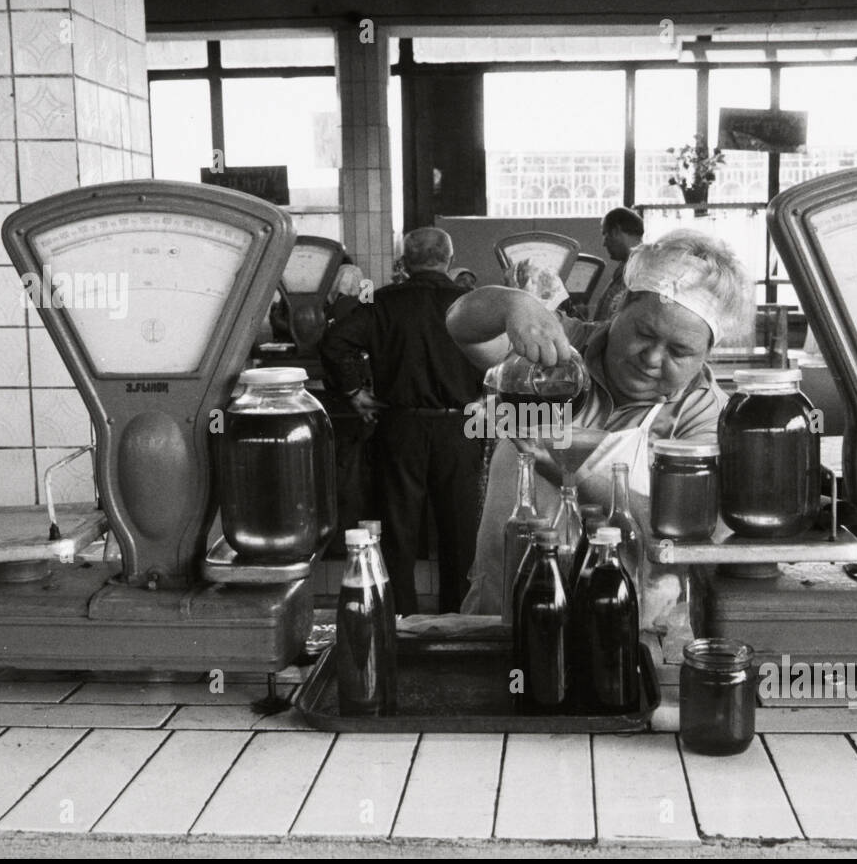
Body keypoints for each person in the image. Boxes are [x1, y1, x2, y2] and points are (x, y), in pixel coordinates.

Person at [447, 227, 753, 622]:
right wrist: (512, 304)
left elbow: (688, 538)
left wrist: (576, 474)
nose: (652, 358)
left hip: (625, 628)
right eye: (644, 333)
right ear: (620, 306)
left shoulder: (706, 414)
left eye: (680, 351)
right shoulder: (558, 348)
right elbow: (462, 325)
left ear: (708, 353)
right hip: (505, 607)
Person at [319, 227, 484, 615]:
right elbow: (503, 356)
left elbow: (334, 342)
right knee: (458, 535)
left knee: (397, 533)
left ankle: (400, 623)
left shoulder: (383, 302)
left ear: (405, 262)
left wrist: (353, 392)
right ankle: (457, 624)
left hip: (399, 428)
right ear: (448, 258)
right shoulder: (471, 304)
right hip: (459, 429)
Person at [589, 206, 645, 323]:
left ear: (615, 231)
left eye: (605, 234)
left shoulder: (641, 271)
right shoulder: (626, 267)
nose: (604, 243)